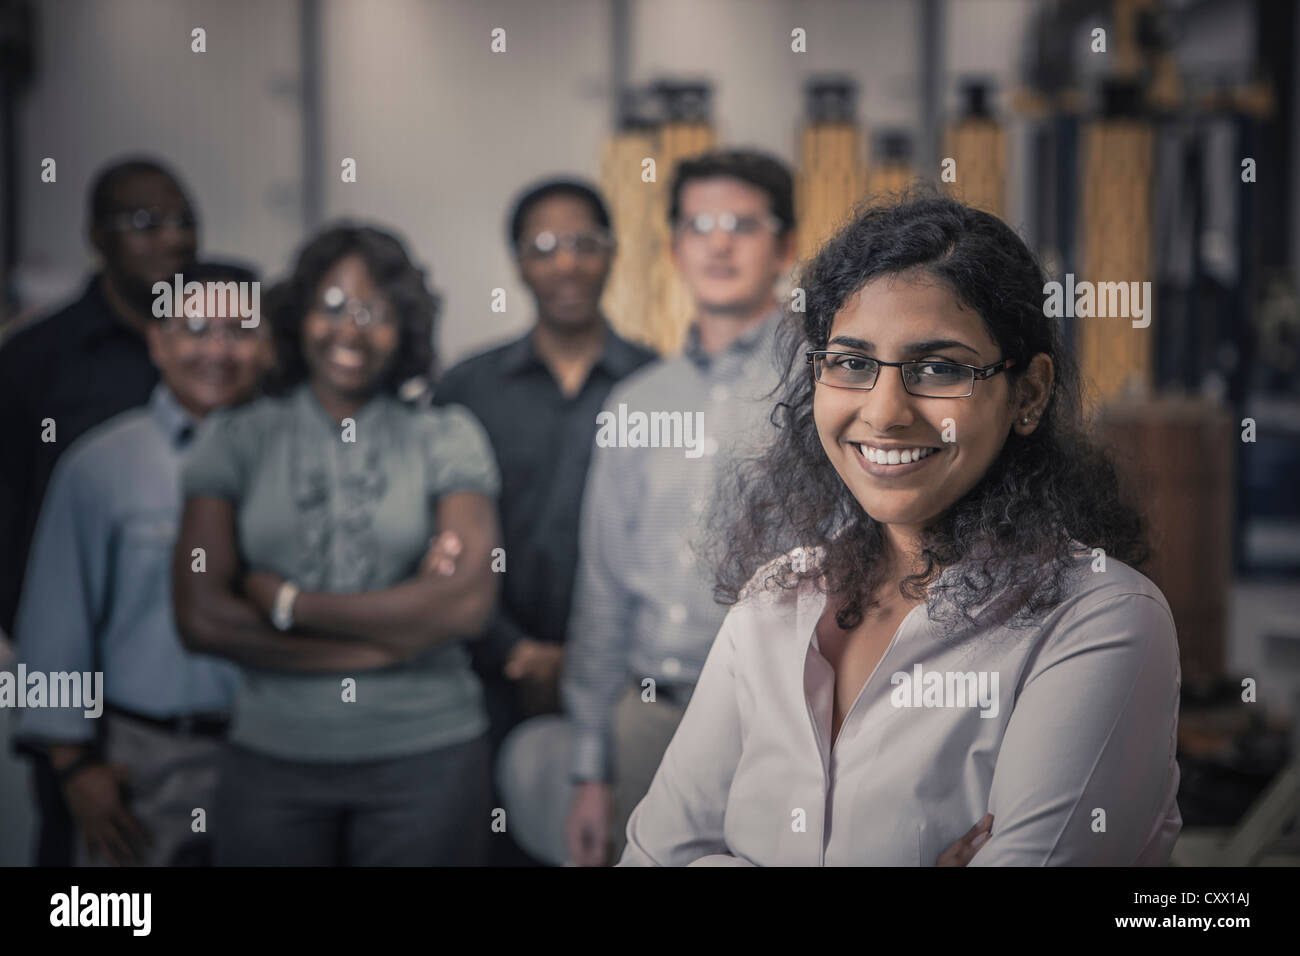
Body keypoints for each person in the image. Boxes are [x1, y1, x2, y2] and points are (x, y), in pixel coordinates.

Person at [618, 193, 1182, 866]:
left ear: (1028, 393)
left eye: (939, 368)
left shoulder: (1101, 618)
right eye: (852, 362)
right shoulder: (778, 597)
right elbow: (652, 857)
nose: (884, 413)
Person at [496, 150, 798, 866]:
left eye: (742, 224)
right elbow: (603, 588)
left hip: (780, 722)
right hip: (649, 714)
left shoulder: (827, 383)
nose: (719, 243)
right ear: (674, 249)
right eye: (699, 225)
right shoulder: (636, 402)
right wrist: (590, 766)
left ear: (784, 246)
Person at [172, 224, 502, 866]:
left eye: (373, 311)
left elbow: (463, 607)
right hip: (273, 759)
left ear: (402, 328)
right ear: (297, 318)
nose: (349, 329)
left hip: (429, 755)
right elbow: (202, 618)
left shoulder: (447, 436)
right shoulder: (234, 439)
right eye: (330, 307)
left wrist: (287, 602)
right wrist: (392, 639)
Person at [11, 262, 270, 866]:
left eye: (239, 330)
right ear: (158, 341)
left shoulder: (292, 457)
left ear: (266, 344)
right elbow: (55, 628)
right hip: (144, 762)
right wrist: (75, 765)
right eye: (196, 328)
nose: (217, 349)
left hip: (272, 758)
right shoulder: (102, 465)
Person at [432, 179, 655, 864]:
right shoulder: (466, 389)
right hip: (487, 678)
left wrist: (588, 661)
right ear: (518, 262)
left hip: (626, 684)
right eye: (545, 247)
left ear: (613, 254)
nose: (566, 264)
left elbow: (675, 541)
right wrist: (513, 649)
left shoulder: (657, 385)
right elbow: (434, 538)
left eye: (585, 243)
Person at [0, 155, 201, 866]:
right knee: (95, 905)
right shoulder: (34, 364)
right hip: (92, 710)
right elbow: (26, 578)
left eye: (184, 221)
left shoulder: (225, 363)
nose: (172, 239)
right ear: (98, 235)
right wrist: (69, 752)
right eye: (146, 223)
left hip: (212, 718)